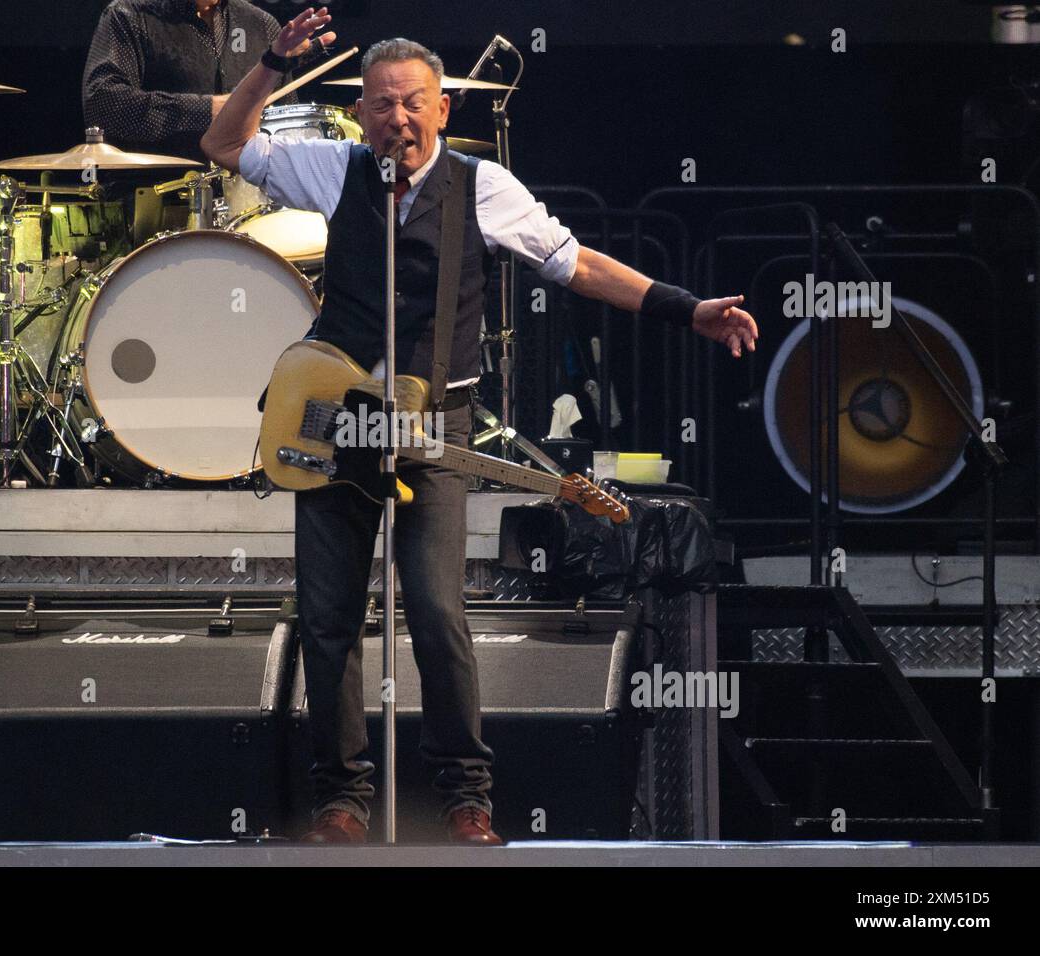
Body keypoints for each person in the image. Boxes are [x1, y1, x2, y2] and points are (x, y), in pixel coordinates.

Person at [202, 7, 759, 845]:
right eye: (382, 103)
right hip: (337, 422)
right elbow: (222, 143)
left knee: (436, 611)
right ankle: (341, 802)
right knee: (327, 617)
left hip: (437, 419)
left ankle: (466, 797)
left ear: (442, 108)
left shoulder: (483, 187)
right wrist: (274, 65)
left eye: (413, 102)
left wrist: (688, 308)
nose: (398, 118)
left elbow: (577, 265)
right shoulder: (333, 167)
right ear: (360, 112)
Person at [82, 0, 289, 161]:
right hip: (158, 192)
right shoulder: (128, 15)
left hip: (248, 195)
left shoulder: (262, 25)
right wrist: (206, 110)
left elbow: (289, 123)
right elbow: (102, 103)